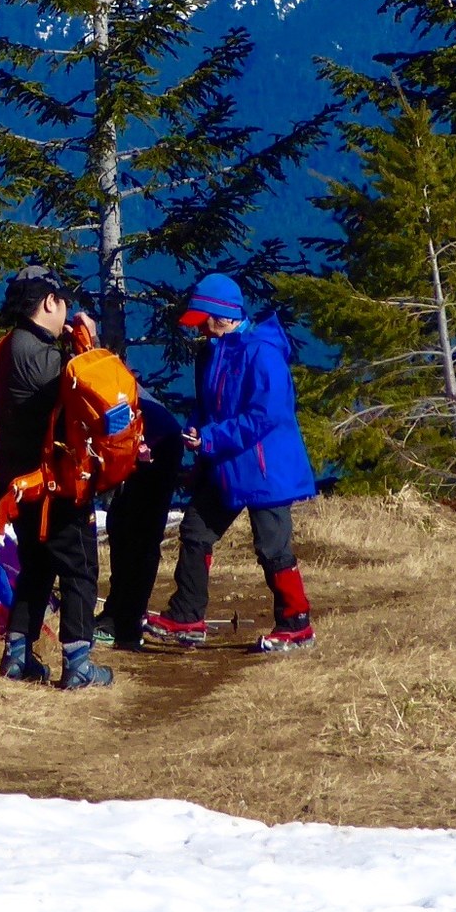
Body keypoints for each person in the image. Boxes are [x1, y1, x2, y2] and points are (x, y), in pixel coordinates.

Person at [145, 272, 319, 652]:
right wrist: (196, 429)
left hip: (263, 468)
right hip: (225, 461)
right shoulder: (213, 351)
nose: (201, 330)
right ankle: (186, 615)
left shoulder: (263, 352)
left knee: (272, 548)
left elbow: (265, 416)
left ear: (222, 315)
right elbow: (207, 404)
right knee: (195, 532)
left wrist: (209, 438)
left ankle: (296, 623)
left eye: (203, 321)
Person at [0, 266, 114, 690]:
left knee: (37, 568)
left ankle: (17, 655)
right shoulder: (38, 354)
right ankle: (79, 663)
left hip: (18, 482)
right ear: (49, 302)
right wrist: (89, 344)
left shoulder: (14, 345)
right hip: (53, 487)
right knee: (79, 567)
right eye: (63, 302)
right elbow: (85, 388)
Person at [95, 393, 185, 649]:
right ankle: (118, 613)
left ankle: (128, 622)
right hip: (141, 439)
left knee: (141, 534)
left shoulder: (92, 385)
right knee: (120, 524)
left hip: (157, 442)